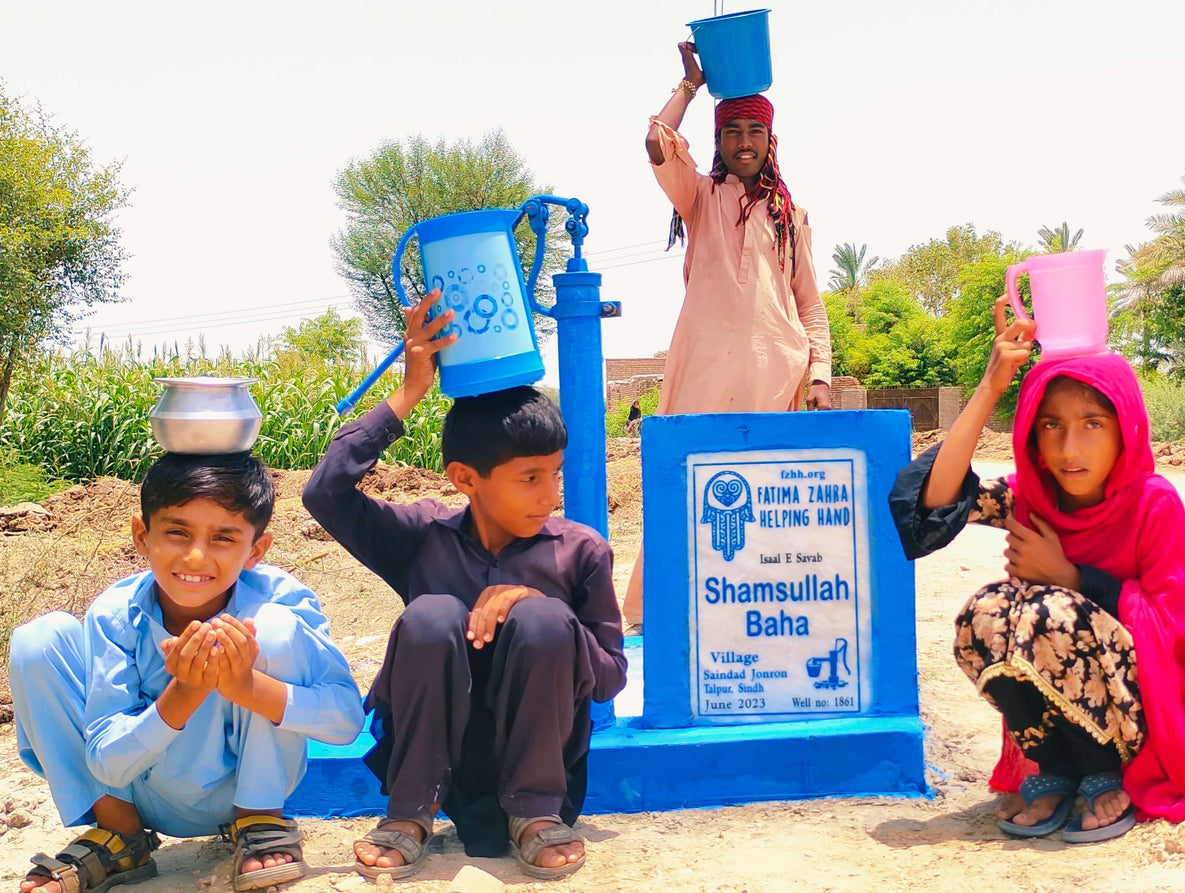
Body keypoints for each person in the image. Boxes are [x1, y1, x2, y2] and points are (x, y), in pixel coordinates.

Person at [302, 290, 627, 881]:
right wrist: (409, 393)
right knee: (429, 616)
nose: (550, 495)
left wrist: (538, 603)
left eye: (554, 474)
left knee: (545, 618)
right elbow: (324, 493)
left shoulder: (581, 550)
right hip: (435, 754)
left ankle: (532, 814)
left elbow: (609, 678)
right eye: (529, 478)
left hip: (540, 766)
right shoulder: (421, 536)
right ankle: (410, 813)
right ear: (464, 479)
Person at [889, 298, 1185, 842]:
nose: (1069, 447)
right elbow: (935, 502)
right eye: (1050, 425)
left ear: (1124, 427)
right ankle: (1056, 770)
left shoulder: (1153, 503)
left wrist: (1073, 578)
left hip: (1142, 716)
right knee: (985, 613)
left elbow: (1182, 634)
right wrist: (992, 383)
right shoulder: (1031, 497)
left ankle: (1106, 771)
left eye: (1091, 424)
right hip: (1059, 722)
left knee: (1050, 610)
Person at [9, 451, 364, 893]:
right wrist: (185, 693)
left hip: (242, 788)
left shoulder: (281, 598)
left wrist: (246, 686)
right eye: (177, 532)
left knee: (271, 627)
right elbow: (107, 763)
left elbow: (347, 720)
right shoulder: (116, 614)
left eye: (223, 538)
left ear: (256, 549)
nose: (196, 557)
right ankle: (120, 837)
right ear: (142, 536)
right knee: (37, 640)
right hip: (135, 793)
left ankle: (259, 821)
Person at [622, 42, 834, 630]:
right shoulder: (699, 197)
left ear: (771, 141)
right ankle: (650, 618)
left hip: (775, 380)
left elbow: (809, 304)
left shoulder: (790, 216)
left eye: (754, 132)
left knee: (761, 502)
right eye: (732, 131)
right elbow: (657, 142)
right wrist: (690, 85)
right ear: (718, 141)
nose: (744, 141)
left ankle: (750, 622)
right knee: (681, 489)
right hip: (704, 376)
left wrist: (819, 375)